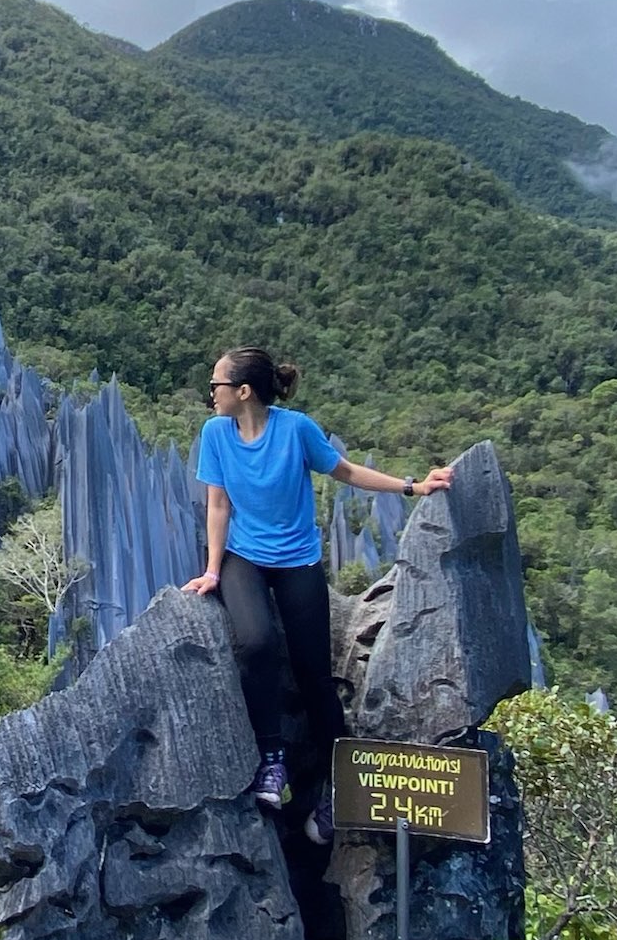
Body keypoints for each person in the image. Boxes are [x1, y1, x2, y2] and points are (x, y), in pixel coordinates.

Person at [181, 346, 453, 844]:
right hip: (244, 557)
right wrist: (213, 571)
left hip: (298, 560)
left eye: (216, 385)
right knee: (257, 644)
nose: (211, 393)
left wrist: (413, 488)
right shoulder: (215, 433)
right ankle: (272, 760)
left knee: (315, 676)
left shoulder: (296, 429)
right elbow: (217, 506)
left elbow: (344, 471)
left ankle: (338, 786)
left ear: (243, 391)